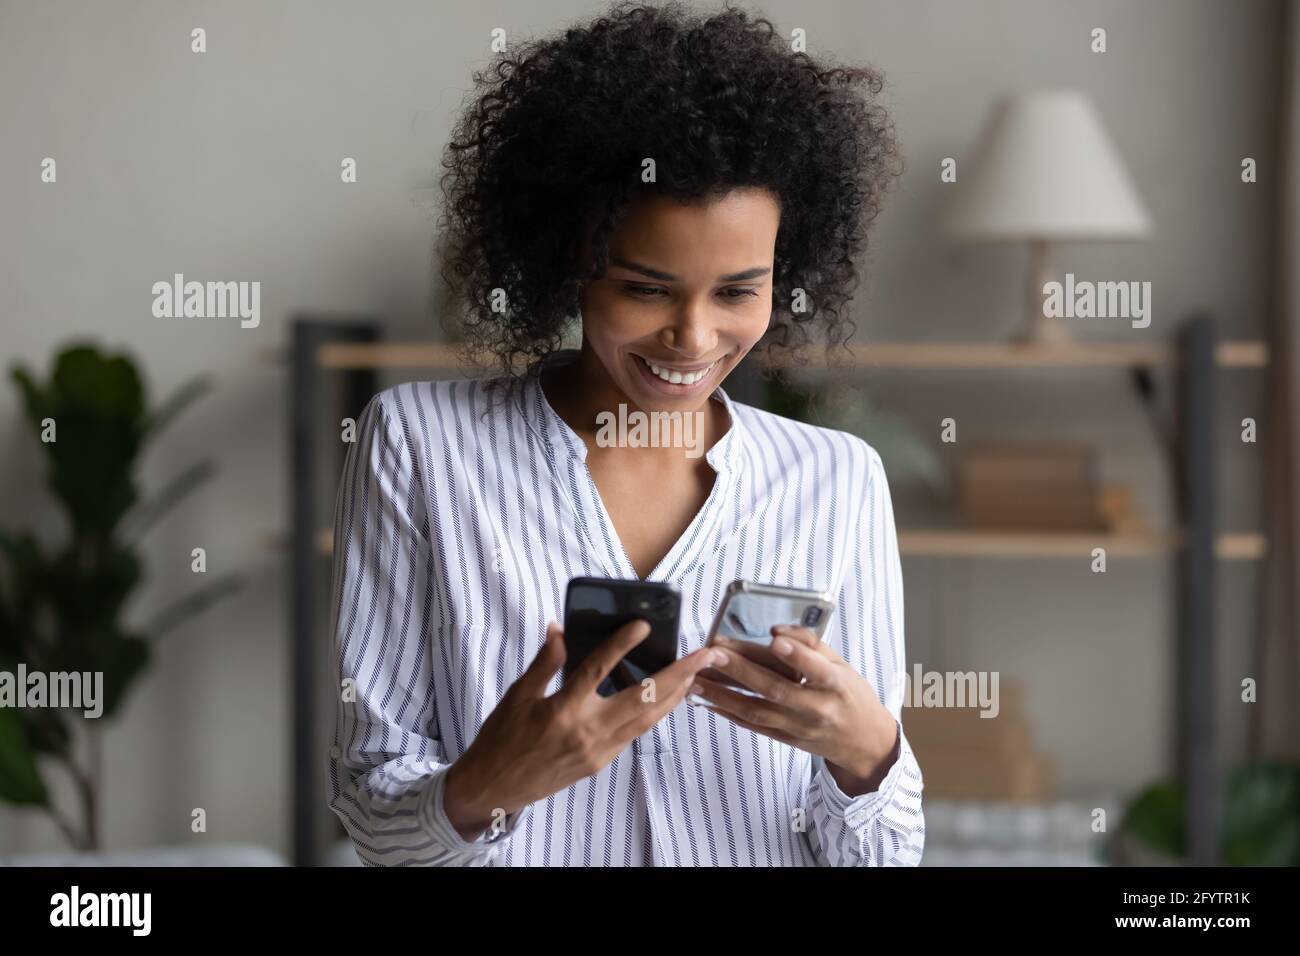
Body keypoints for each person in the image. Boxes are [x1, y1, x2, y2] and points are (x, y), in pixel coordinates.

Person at [326, 1, 923, 866]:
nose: (692, 337)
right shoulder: (421, 446)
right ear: (568, 263)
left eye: (736, 292)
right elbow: (373, 810)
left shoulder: (838, 477)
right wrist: (495, 781)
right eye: (646, 289)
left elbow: (883, 857)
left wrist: (868, 757)